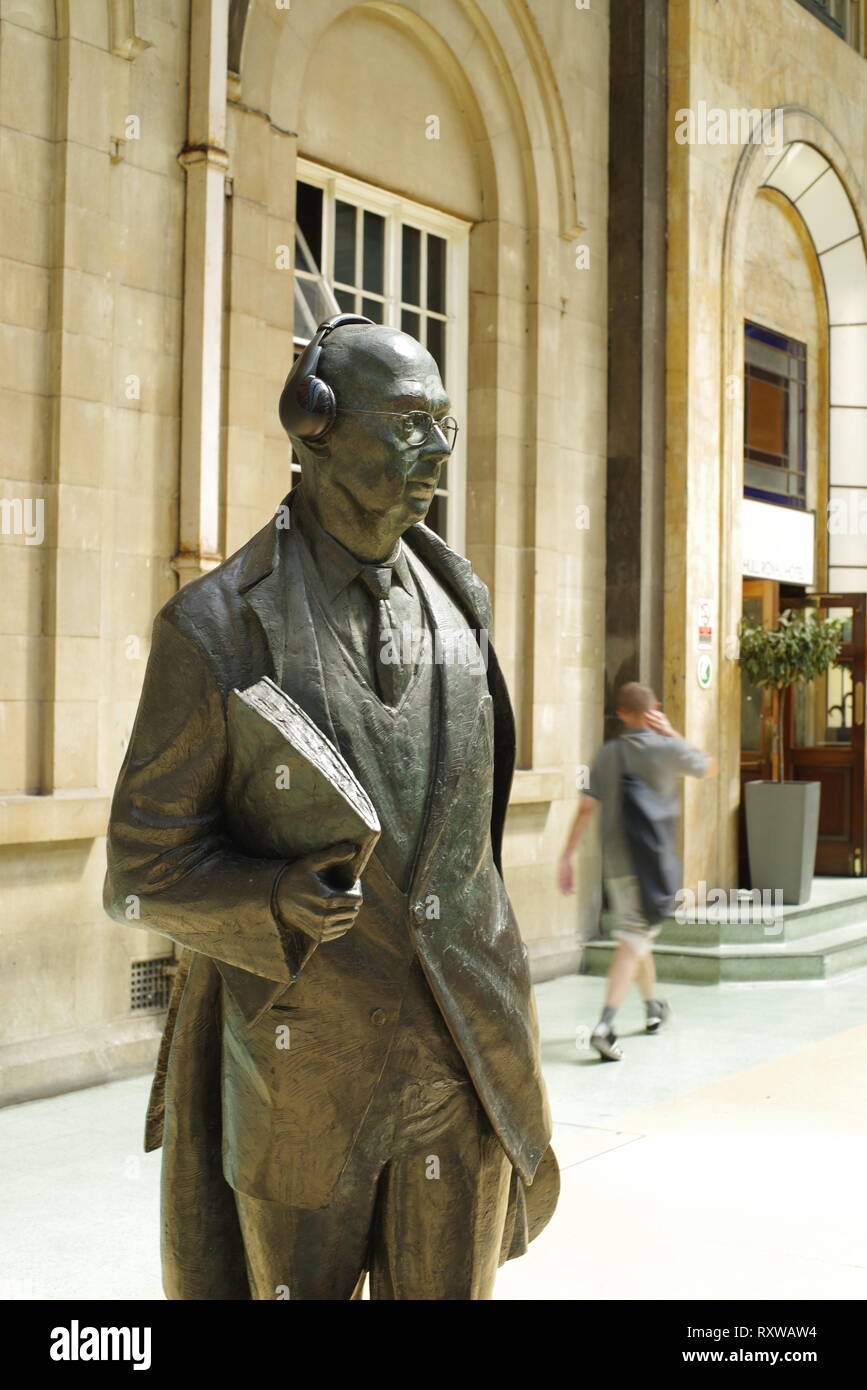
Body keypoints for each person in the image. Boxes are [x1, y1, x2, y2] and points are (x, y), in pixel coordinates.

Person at [104, 314, 557, 1301]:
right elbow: (139, 874)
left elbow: (467, 840)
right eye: (406, 422)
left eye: (443, 422)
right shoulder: (215, 627)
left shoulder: (460, 597)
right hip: (300, 1080)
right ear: (315, 427)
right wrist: (270, 899)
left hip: (461, 1060)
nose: (438, 448)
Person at [558, 681, 716, 1061]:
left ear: (619, 715)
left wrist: (566, 855)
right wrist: (672, 731)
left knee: (639, 934)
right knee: (634, 938)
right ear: (655, 708)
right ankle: (605, 1025)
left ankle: (652, 1008)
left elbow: (584, 809)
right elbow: (707, 766)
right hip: (651, 865)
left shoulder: (607, 754)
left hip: (615, 864)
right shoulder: (665, 749)